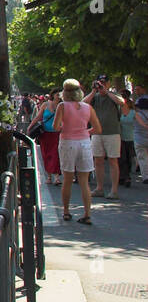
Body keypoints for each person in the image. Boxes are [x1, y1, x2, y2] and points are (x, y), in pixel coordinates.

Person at [53, 78, 101, 224]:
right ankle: (87, 214)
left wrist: (66, 128)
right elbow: (98, 129)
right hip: (85, 142)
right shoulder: (87, 107)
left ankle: (66, 211)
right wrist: (85, 131)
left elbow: (56, 127)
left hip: (68, 142)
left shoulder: (62, 106)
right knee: (84, 181)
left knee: (67, 179)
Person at [84, 76, 128, 199]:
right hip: (97, 133)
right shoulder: (95, 97)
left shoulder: (113, 95)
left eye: (103, 83)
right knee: (98, 160)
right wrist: (93, 91)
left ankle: (114, 190)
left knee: (113, 161)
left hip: (112, 133)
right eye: (99, 83)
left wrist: (107, 91)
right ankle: (99, 188)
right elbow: (83, 103)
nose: (101, 85)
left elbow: (121, 102)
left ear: (108, 83)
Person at [28, 89, 62, 185]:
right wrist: (30, 127)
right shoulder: (45, 105)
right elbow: (38, 117)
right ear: (53, 95)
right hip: (45, 134)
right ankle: (49, 176)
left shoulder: (62, 105)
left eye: (60, 94)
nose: (58, 96)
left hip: (57, 133)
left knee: (56, 154)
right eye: (57, 94)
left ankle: (56, 177)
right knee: (46, 154)